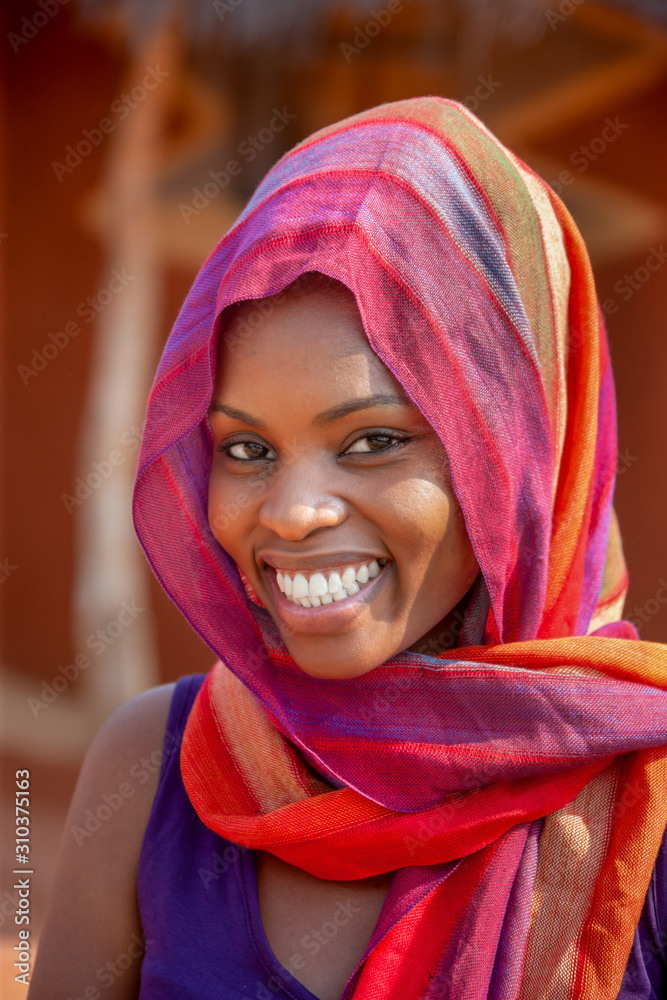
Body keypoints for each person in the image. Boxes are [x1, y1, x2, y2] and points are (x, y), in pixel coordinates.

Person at [29, 97, 667, 1000]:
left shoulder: (649, 797)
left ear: (514, 456)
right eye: (245, 450)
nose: (289, 514)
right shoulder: (154, 770)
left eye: (373, 440)